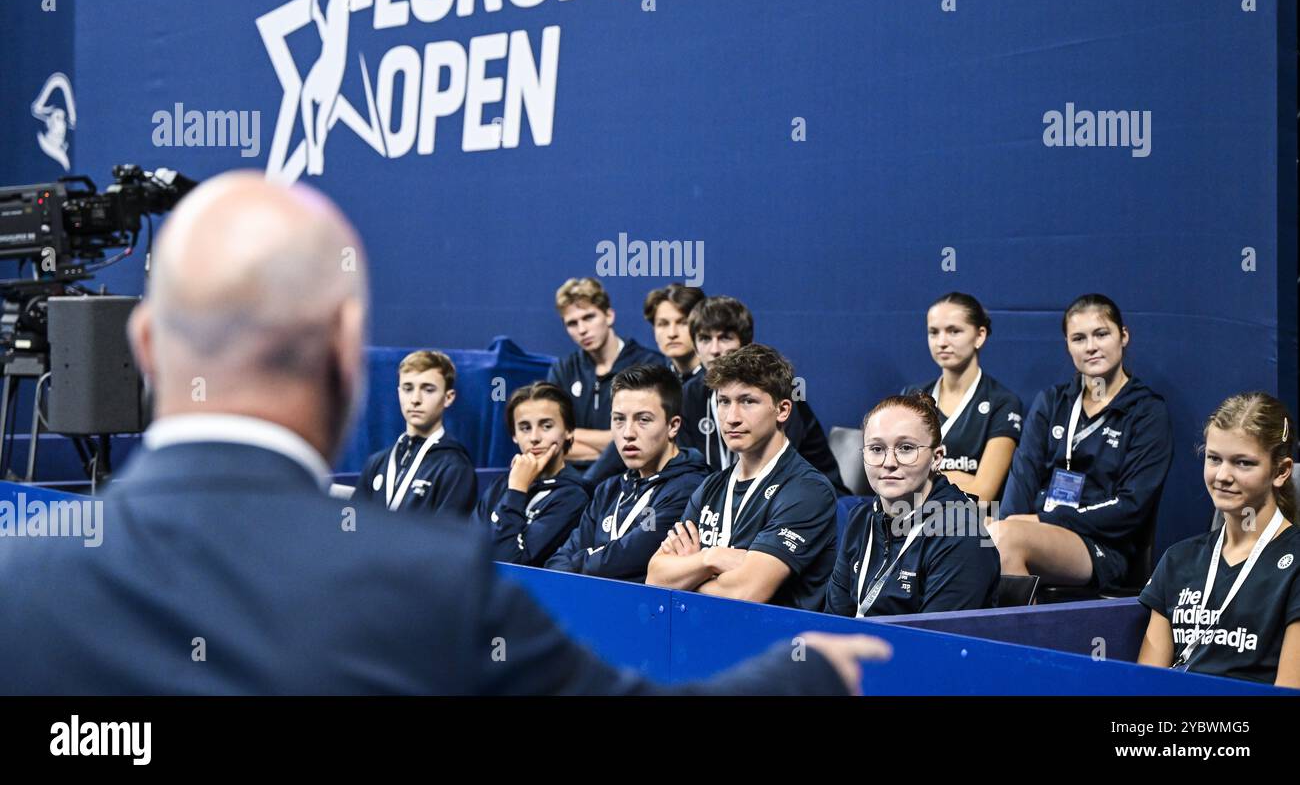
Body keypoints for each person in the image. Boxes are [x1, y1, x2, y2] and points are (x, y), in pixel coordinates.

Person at [0, 172, 887, 694]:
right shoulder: (427, 586)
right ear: (351, 356)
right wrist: (805, 672)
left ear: (147, 347)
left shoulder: (20, 581)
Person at [992, 294, 1174, 590]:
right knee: (982, 541)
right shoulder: (1052, 402)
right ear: (1067, 345)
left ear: (1123, 336)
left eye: (1101, 334)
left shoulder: (1146, 411)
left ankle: (1022, 636)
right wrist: (1013, 521)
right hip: (1032, 530)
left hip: (1104, 547)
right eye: (1079, 338)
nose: (1091, 347)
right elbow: (1022, 476)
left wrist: (1046, 519)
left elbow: (1132, 506)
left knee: (1005, 541)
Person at [646, 344, 838, 610]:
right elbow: (655, 578)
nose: (731, 418)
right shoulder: (711, 486)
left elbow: (745, 592)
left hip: (778, 645)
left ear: (782, 410)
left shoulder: (807, 490)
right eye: (724, 402)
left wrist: (688, 575)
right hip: (707, 638)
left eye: (748, 401)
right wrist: (710, 559)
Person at [1138, 392, 1300, 687]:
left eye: (1243, 463)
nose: (1223, 475)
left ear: (1281, 471)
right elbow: (1148, 684)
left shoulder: (1295, 562)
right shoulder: (1178, 559)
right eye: (1214, 459)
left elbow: (1290, 691)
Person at [825, 393, 1000, 617]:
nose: (889, 463)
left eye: (906, 448)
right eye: (877, 449)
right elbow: (832, 623)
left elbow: (934, 643)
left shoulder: (963, 534)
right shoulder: (861, 519)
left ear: (936, 458)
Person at [547, 365, 708, 581]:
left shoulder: (692, 488)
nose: (628, 433)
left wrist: (579, 561)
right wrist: (584, 562)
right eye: (619, 419)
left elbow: (628, 560)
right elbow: (556, 562)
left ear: (673, 426)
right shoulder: (608, 489)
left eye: (643, 419)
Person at [676, 295, 847, 494]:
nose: (714, 350)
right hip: (732, 500)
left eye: (725, 337)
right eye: (705, 339)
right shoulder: (689, 393)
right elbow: (689, 469)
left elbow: (777, 467)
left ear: (745, 344)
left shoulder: (772, 387)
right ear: (695, 347)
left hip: (812, 497)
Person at [902, 292, 1023, 501]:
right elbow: (895, 476)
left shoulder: (1002, 403)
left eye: (954, 331)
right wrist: (960, 478)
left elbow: (983, 493)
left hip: (969, 520)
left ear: (980, 336)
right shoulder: (913, 396)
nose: (942, 342)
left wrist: (922, 474)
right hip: (913, 513)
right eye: (933, 332)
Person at [545, 277, 667, 469]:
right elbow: (548, 440)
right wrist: (611, 445)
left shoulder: (649, 365)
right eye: (572, 323)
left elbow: (651, 439)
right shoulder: (563, 370)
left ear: (609, 316)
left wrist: (570, 435)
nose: (582, 329)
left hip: (632, 478)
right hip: (572, 482)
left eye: (588, 317)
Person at [475, 382, 591, 566]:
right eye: (525, 428)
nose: (534, 437)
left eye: (546, 426)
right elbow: (470, 548)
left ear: (568, 431)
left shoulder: (574, 496)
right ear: (514, 435)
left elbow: (511, 564)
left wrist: (516, 492)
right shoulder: (502, 484)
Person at [353, 350, 476, 515]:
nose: (415, 399)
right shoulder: (376, 463)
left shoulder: (456, 468)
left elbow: (447, 538)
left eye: (428, 389)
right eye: (408, 388)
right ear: (399, 393)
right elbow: (350, 528)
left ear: (448, 398)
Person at [644, 283, 706, 385]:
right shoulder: (652, 380)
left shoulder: (719, 381)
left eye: (683, 323)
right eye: (663, 324)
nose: (672, 333)